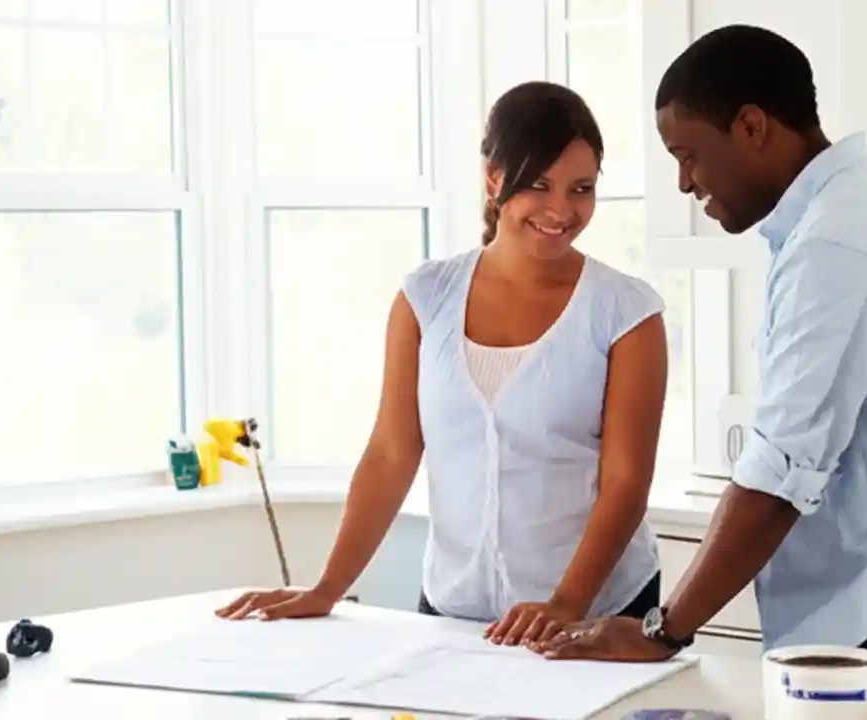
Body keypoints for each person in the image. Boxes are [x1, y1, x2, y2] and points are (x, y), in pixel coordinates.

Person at [534, 24, 867, 696]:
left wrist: (662, 630)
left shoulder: (838, 241)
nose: (684, 182)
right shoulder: (845, 215)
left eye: (689, 154)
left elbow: (780, 472)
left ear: (751, 126)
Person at [215, 81, 670, 648]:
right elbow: (391, 453)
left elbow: (626, 482)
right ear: (494, 179)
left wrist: (565, 604)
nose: (561, 210)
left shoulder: (627, 312)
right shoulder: (426, 298)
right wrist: (327, 587)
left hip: (595, 610)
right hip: (454, 611)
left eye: (581, 189)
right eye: (539, 184)